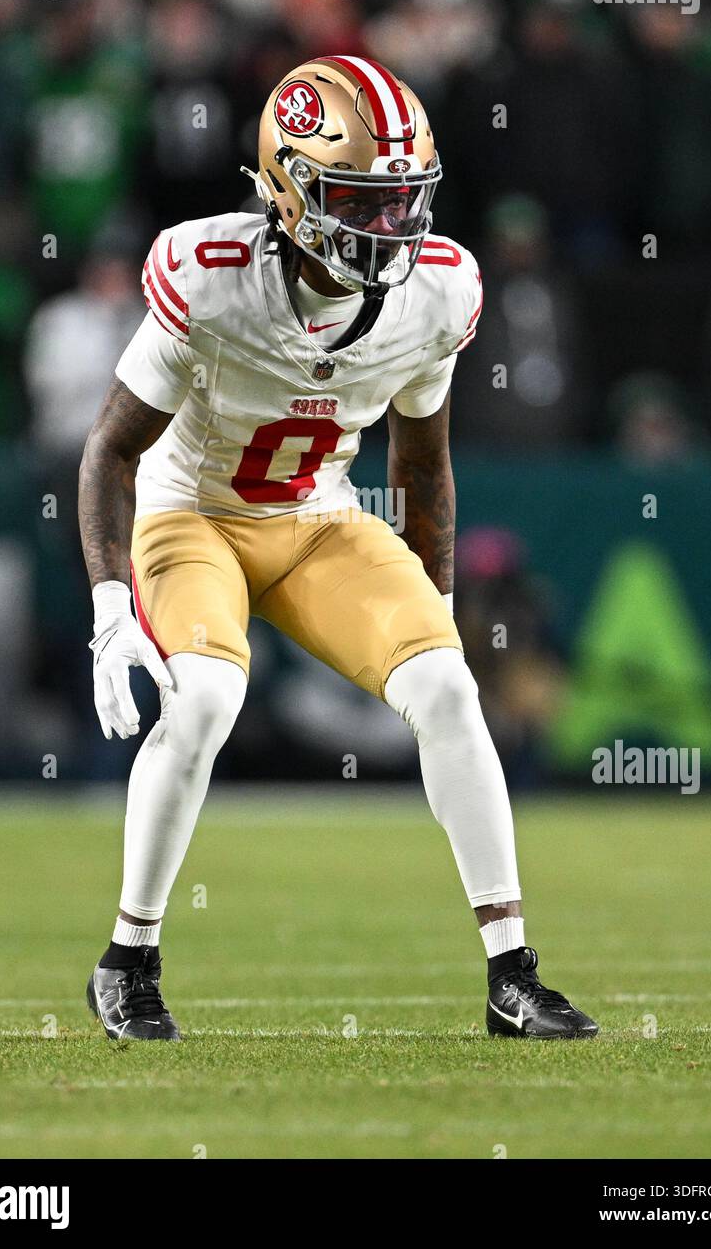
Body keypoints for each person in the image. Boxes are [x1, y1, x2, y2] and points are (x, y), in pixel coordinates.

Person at [77, 54, 598, 1042]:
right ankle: (127, 959)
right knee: (210, 698)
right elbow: (109, 450)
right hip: (194, 513)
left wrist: (428, 610)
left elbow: (421, 464)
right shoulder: (212, 275)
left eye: (406, 201)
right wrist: (110, 606)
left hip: (318, 518)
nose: (393, 229)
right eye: (364, 201)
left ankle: (511, 974)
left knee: (447, 691)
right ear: (288, 189)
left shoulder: (436, 293)